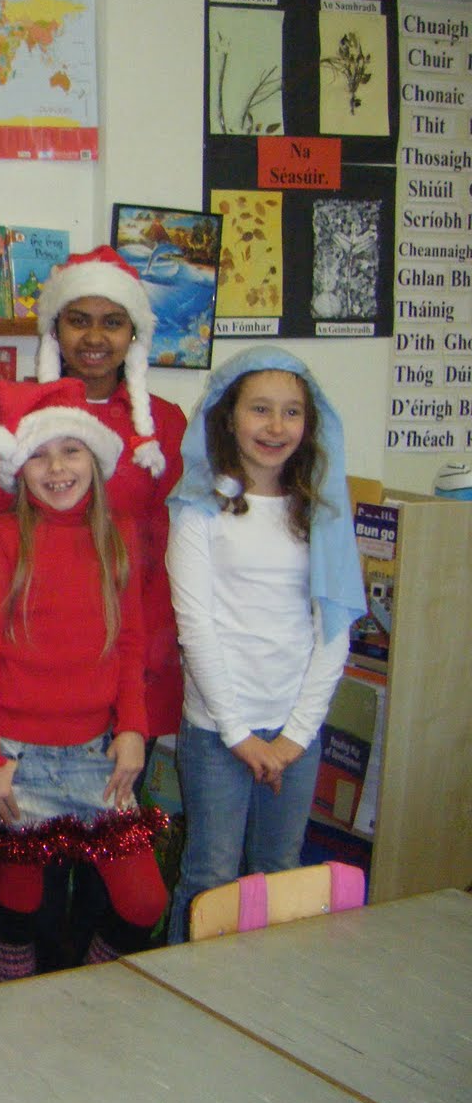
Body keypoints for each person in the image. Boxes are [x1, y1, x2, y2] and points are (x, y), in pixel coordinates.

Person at [0, 378, 168, 981]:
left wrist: (133, 725)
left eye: (71, 451)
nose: (56, 468)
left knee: (142, 901)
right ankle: (17, 1009)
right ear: (19, 468)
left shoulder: (118, 535)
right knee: (19, 904)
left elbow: (129, 644)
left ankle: (88, 994)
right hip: (16, 759)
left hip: (99, 753)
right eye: (40, 455)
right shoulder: (2, 539)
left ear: (96, 461)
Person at [164, 347, 364, 943]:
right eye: (260, 410)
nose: (276, 427)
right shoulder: (200, 511)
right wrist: (239, 734)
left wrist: (297, 734)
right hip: (219, 731)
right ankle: (192, 1002)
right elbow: (195, 627)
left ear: (310, 422)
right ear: (229, 418)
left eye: (292, 412)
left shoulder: (320, 511)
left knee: (281, 871)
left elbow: (333, 626)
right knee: (211, 877)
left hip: (294, 732)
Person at [0, 246, 187, 742]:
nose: (94, 337)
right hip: (37, 657)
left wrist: (150, 652)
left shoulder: (165, 424)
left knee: (117, 814)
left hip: (132, 648)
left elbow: (167, 545)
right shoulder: (13, 418)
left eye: (112, 322)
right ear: (54, 329)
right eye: (78, 320)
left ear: (133, 333)